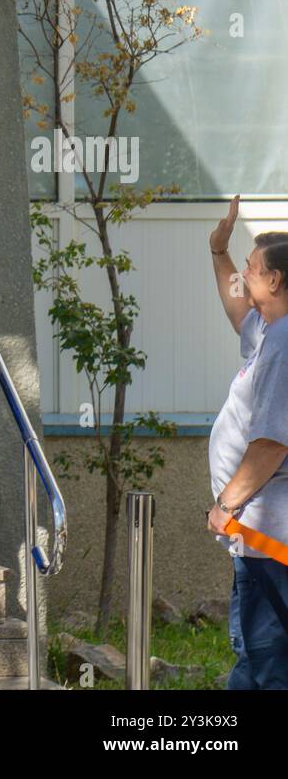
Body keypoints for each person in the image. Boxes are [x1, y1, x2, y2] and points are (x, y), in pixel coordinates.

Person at [206, 197, 288, 689]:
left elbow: (272, 444)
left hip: (268, 533)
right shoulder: (267, 330)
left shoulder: (284, 344)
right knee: (252, 655)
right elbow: (239, 307)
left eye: (252, 269)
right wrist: (220, 251)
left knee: (266, 657)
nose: (244, 276)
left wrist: (224, 504)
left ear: (275, 280)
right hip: (255, 532)